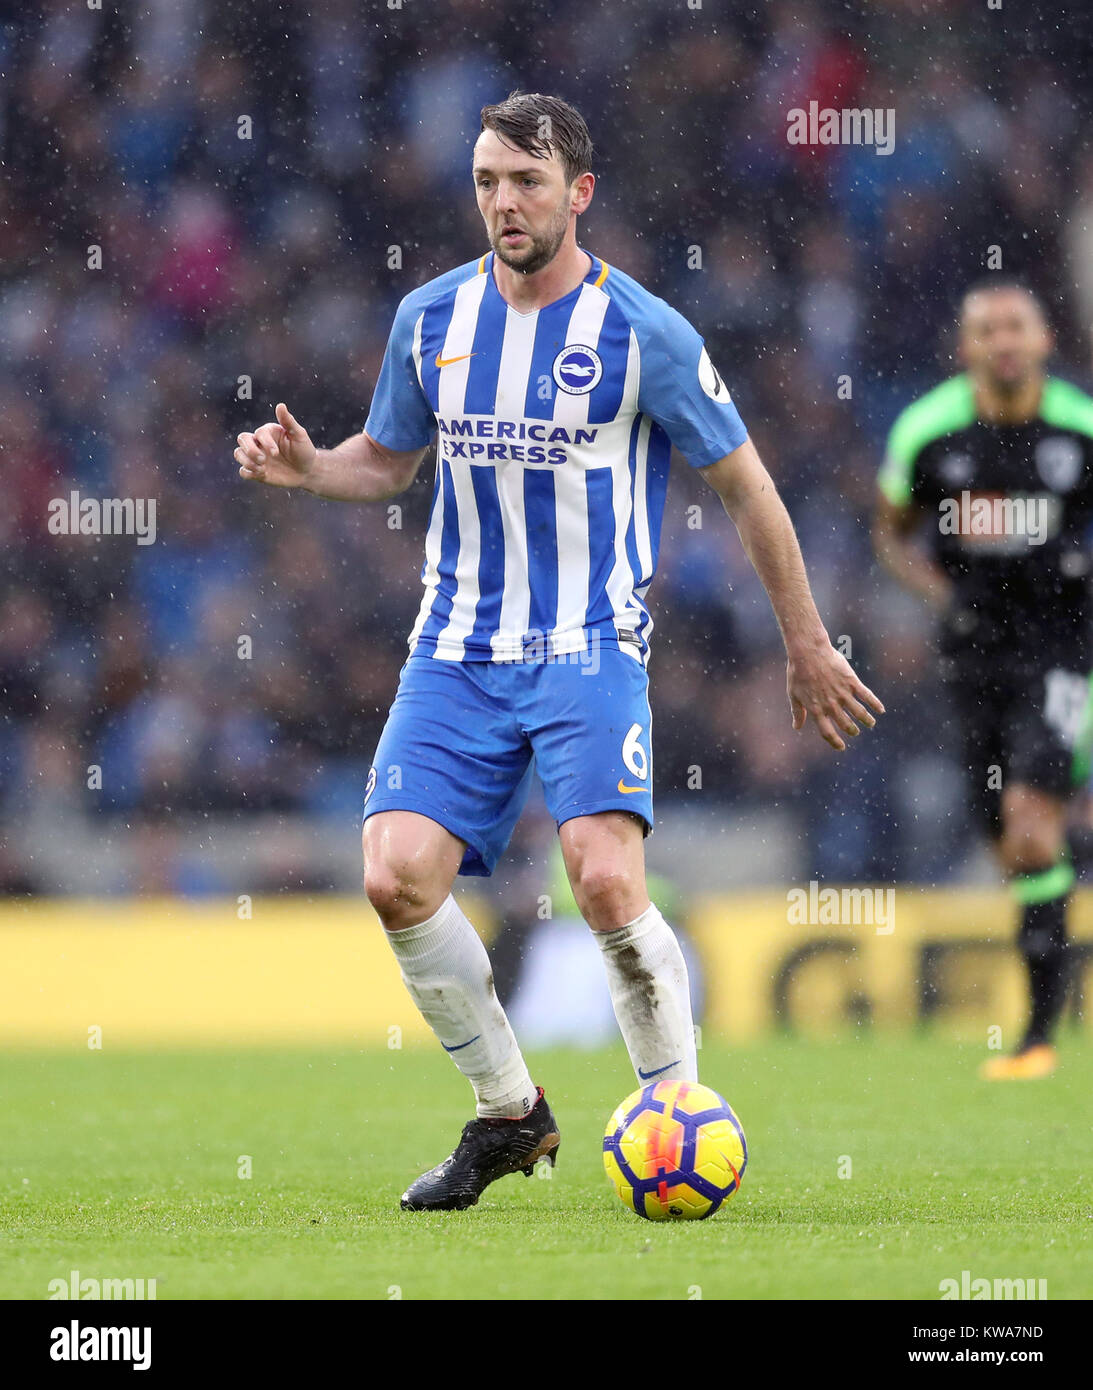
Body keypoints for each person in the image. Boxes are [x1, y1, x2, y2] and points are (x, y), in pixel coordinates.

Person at [236, 91, 883, 1209]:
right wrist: (311, 470)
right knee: (393, 876)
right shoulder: (429, 320)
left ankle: (674, 1112)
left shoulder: (645, 332)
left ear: (578, 192)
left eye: (526, 182)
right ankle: (508, 1113)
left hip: (588, 641)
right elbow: (387, 463)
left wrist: (805, 645)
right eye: (487, 181)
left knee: (600, 873)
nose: (503, 202)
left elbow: (749, 488)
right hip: (455, 646)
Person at [874, 279, 1093, 1079]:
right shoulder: (929, 433)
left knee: (1033, 828)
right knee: (1009, 846)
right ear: (964, 347)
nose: (1003, 340)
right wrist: (940, 596)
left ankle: (1036, 1038)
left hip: (1063, 651)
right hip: (973, 661)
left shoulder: (1080, 428)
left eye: (1016, 326)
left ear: (1042, 339)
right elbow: (891, 532)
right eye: (985, 329)